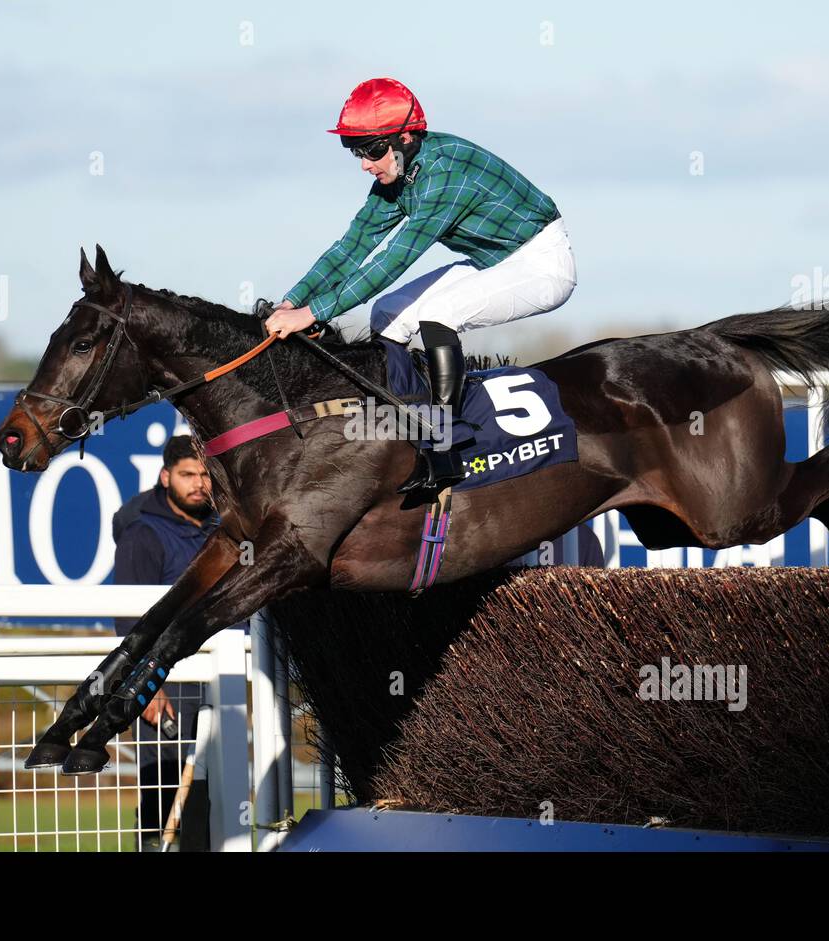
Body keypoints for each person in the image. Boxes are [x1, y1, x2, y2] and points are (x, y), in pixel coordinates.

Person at [264, 76, 578, 494]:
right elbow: (352, 247)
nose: (364, 163)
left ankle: (446, 449)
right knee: (387, 313)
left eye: (373, 150)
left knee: (437, 313)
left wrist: (314, 314)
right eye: (356, 151)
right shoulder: (397, 177)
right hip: (495, 263)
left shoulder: (447, 171)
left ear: (407, 138)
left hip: (543, 265)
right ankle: (409, 427)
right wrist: (292, 301)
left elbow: (394, 260)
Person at [112, 434, 215, 850]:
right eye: (188, 474)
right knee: (161, 794)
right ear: (165, 476)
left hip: (217, 679)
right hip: (164, 685)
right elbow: (128, 622)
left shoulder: (223, 529)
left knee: (207, 800)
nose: (198, 484)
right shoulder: (142, 534)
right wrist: (144, 684)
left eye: (205, 474)